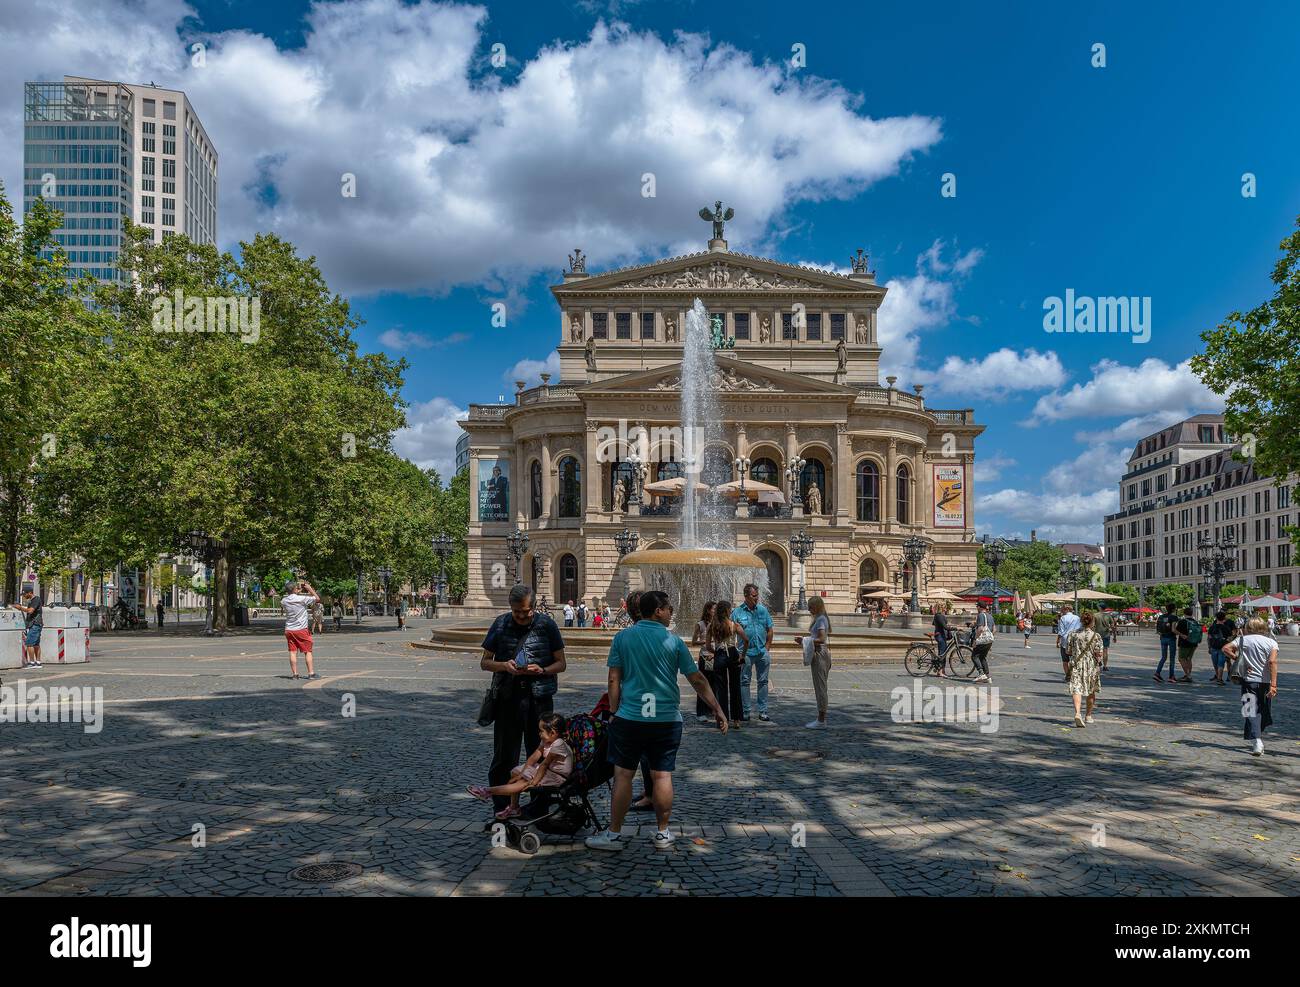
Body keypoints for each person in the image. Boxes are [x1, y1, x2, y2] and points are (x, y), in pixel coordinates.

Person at [585, 590, 726, 851]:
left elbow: (614, 679)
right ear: (657, 610)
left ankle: (614, 835)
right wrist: (717, 708)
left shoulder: (623, 637)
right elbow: (696, 679)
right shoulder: (674, 642)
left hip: (630, 718)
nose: (672, 612)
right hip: (666, 719)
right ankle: (663, 833)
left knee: (623, 775)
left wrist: (613, 712)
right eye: (668, 608)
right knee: (662, 776)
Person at [479, 584, 567, 814]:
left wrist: (543, 669)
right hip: (508, 699)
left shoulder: (546, 625)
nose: (520, 616)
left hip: (539, 700)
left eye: (525, 611)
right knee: (503, 757)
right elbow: (485, 662)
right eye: (516, 611)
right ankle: (502, 809)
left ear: (534, 608)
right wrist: (503, 666)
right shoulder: (500, 624)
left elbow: (561, 663)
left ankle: (537, 809)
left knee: (538, 754)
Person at [467, 712, 573, 820]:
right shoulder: (546, 740)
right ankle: (514, 807)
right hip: (547, 771)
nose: (539, 733)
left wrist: (534, 782)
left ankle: (487, 791)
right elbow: (535, 756)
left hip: (556, 776)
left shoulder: (558, 744)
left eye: (541, 731)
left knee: (524, 782)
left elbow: (544, 764)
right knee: (515, 772)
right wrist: (523, 772)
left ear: (553, 733)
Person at [1221, 616, 1279, 756]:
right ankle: (1256, 738)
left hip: (1248, 681)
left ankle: (1256, 740)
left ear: (1249, 627)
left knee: (1249, 709)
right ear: (1264, 627)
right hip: (1265, 682)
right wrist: (1274, 685)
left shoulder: (1242, 640)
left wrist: (1238, 659)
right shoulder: (1271, 642)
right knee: (1263, 710)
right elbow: (1272, 662)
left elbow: (1226, 648)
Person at [733, 582, 774, 721]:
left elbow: (770, 629)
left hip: (762, 652)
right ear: (746, 596)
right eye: (753, 596)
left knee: (763, 682)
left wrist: (767, 647)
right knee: (744, 681)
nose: (756, 598)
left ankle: (763, 711)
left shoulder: (762, 610)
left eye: (757, 596)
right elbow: (730, 630)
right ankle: (746, 711)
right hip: (746, 653)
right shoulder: (737, 612)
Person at [707, 599, 748, 729]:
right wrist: (742, 655)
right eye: (730, 609)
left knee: (721, 689)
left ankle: (722, 719)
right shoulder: (734, 625)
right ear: (727, 611)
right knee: (735, 687)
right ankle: (736, 720)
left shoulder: (712, 626)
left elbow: (708, 646)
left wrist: (717, 652)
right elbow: (746, 640)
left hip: (720, 656)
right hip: (733, 655)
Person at [794, 595, 832, 728]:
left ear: (817, 606)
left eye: (811, 607)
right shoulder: (820, 618)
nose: (809, 609)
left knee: (821, 687)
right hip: (819, 653)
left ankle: (821, 720)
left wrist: (804, 640)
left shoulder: (821, 619)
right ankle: (821, 717)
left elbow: (821, 639)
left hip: (820, 654)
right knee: (820, 686)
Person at [1066, 610, 1103, 727]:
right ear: (1092, 622)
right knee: (1091, 691)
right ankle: (1088, 715)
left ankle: (1077, 713)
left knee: (1077, 689)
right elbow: (1099, 653)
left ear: (1081, 621)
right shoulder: (1096, 636)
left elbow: (1068, 651)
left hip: (1076, 664)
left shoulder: (1073, 634)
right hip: (1091, 666)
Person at [281, 580, 321, 680]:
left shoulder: (284, 601)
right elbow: (317, 599)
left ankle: (295, 674)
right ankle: (311, 673)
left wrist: (296, 591)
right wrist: (310, 589)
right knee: (308, 651)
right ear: (295, 589)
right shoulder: (302, 599)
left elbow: (291, 597)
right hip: (301, 629)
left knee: (292, 651)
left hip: (289, 629)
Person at [691, 602, 717, 723]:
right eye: (714, 609)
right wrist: (707, 642)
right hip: (706, 657)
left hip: (716, 656)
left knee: (714, 685)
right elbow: (693, 642)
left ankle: (712, 709)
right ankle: (701, 712)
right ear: (708, 610)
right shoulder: (700, 624)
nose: (715, 611)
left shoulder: (717, 623)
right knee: (703, 685)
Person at [12, 589, 43, 668]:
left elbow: (30, 611)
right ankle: (38, 662)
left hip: (35, 624)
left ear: (30, 593)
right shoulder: (32, 600)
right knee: (36, 644)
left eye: (25, 594)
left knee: (29, 643)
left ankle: (32, 662)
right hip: (35, 624)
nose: (24, 596)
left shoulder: (36, 599)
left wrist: (20, 608)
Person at [967, 601, 995, 683]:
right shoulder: (990, 616)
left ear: (979, 607)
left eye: (977, 607)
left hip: (981, 640)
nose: (976, 608)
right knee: (982, 657)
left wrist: (975, 640)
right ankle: (988, 676)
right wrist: (989, 637)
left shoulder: (980, 615)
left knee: (974, 656)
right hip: (989, 640)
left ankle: (981, 673)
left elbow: (980, 629)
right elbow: (994, 629)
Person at [1173, 606, 1201, 683]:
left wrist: (1181, 635)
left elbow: (1175, 631)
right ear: (1192, 613)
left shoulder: (1182, 622)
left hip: (1184, 643)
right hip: (1194, 643)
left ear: (1184, 613)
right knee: (1189, 659)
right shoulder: (1195, 622)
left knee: (1181, 658)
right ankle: (1188, 675)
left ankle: (1188, 675)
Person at [1056, 604, 1081, 682]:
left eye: (1062, 609)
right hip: (1076, 639)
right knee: (1075, 659)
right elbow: (1080, 629)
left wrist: (1057, 641)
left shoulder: (1063, 618)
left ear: (1066, 609)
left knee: (1065, 660)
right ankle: (1075, 675)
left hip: (1065, 640)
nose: (1061, 611)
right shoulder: (1077, 618)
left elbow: (1061, 631)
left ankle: (1068, 676)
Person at [1207, 610, 1233, 685]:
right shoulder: (1226, 628)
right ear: (1224, 618)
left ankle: (1218, 676)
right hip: (1223, 648)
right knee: (1221, 664)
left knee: (1215, 664)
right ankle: (1219, 678)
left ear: (1216, 618)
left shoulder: (1212, 627)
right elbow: (1230, 639)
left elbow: (1209, 638)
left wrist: (1209, 647)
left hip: (1213, 647)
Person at [1155, 603, 1178, 683]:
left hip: (1163, 638)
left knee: (1163, 657)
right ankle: (1171, 676)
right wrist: (1181, 634)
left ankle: (1157, 673)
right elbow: (1173, 629)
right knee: (1172, 658)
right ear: (1173, 609)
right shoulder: (1174, 617)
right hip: (1171, 638)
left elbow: (1158, 630)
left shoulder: (1161, 617)